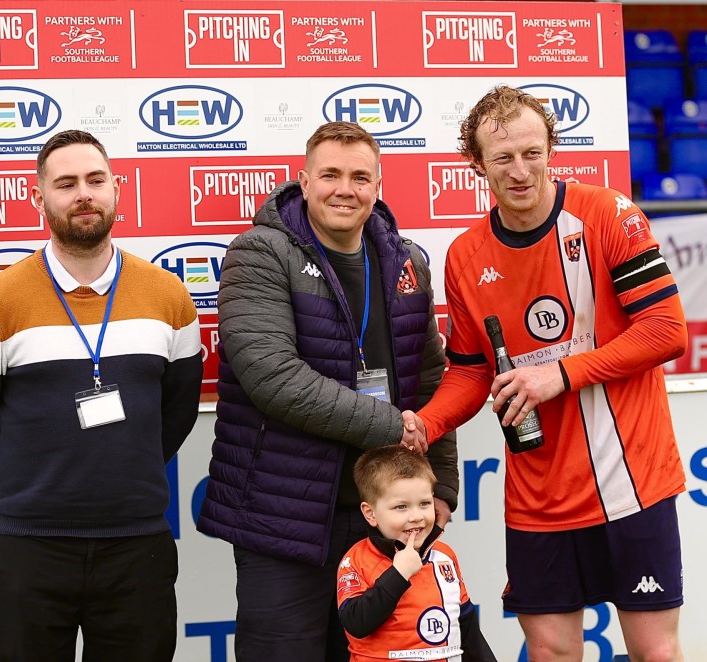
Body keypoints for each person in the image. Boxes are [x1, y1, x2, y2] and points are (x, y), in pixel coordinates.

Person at [404, 85, 687, 661]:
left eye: (532, 153)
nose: (520, 171)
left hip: (630, 482)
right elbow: (469, 373)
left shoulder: (607, 213)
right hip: (539, 496)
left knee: (654, 651)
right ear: (476, 164)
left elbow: (666, 332)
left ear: (552, 149)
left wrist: (562, 373)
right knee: (552, 652)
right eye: (503, 158)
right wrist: (424, 426)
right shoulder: (465, 255)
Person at [196, 121, 458, 661]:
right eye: (331, 174)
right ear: (304, 181)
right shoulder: (260, 254)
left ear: (379, 184)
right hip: (284, 516)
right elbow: (274, 378)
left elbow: (429, 379)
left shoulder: (407, 260)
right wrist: (397, 428)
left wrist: (444, 485)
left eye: (360, 176)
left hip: (381, 520)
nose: (346, 189)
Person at [0, 129, 203, 662]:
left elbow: (178, 408)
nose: (83, 194)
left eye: (95, 180)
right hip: (28, 550)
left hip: (138, 546)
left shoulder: (170, 296)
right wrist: (30, 482)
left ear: (117, 189)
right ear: (39, 198)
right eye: (65, 184)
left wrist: (125, 470)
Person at [338, 445, 496, 662]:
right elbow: (356, 623)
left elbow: (467, 627)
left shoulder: (445, 556)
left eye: (424, 503)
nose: (416, 516)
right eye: (401, 507)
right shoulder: (356, 559)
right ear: (370, 513)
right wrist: (398, 574)